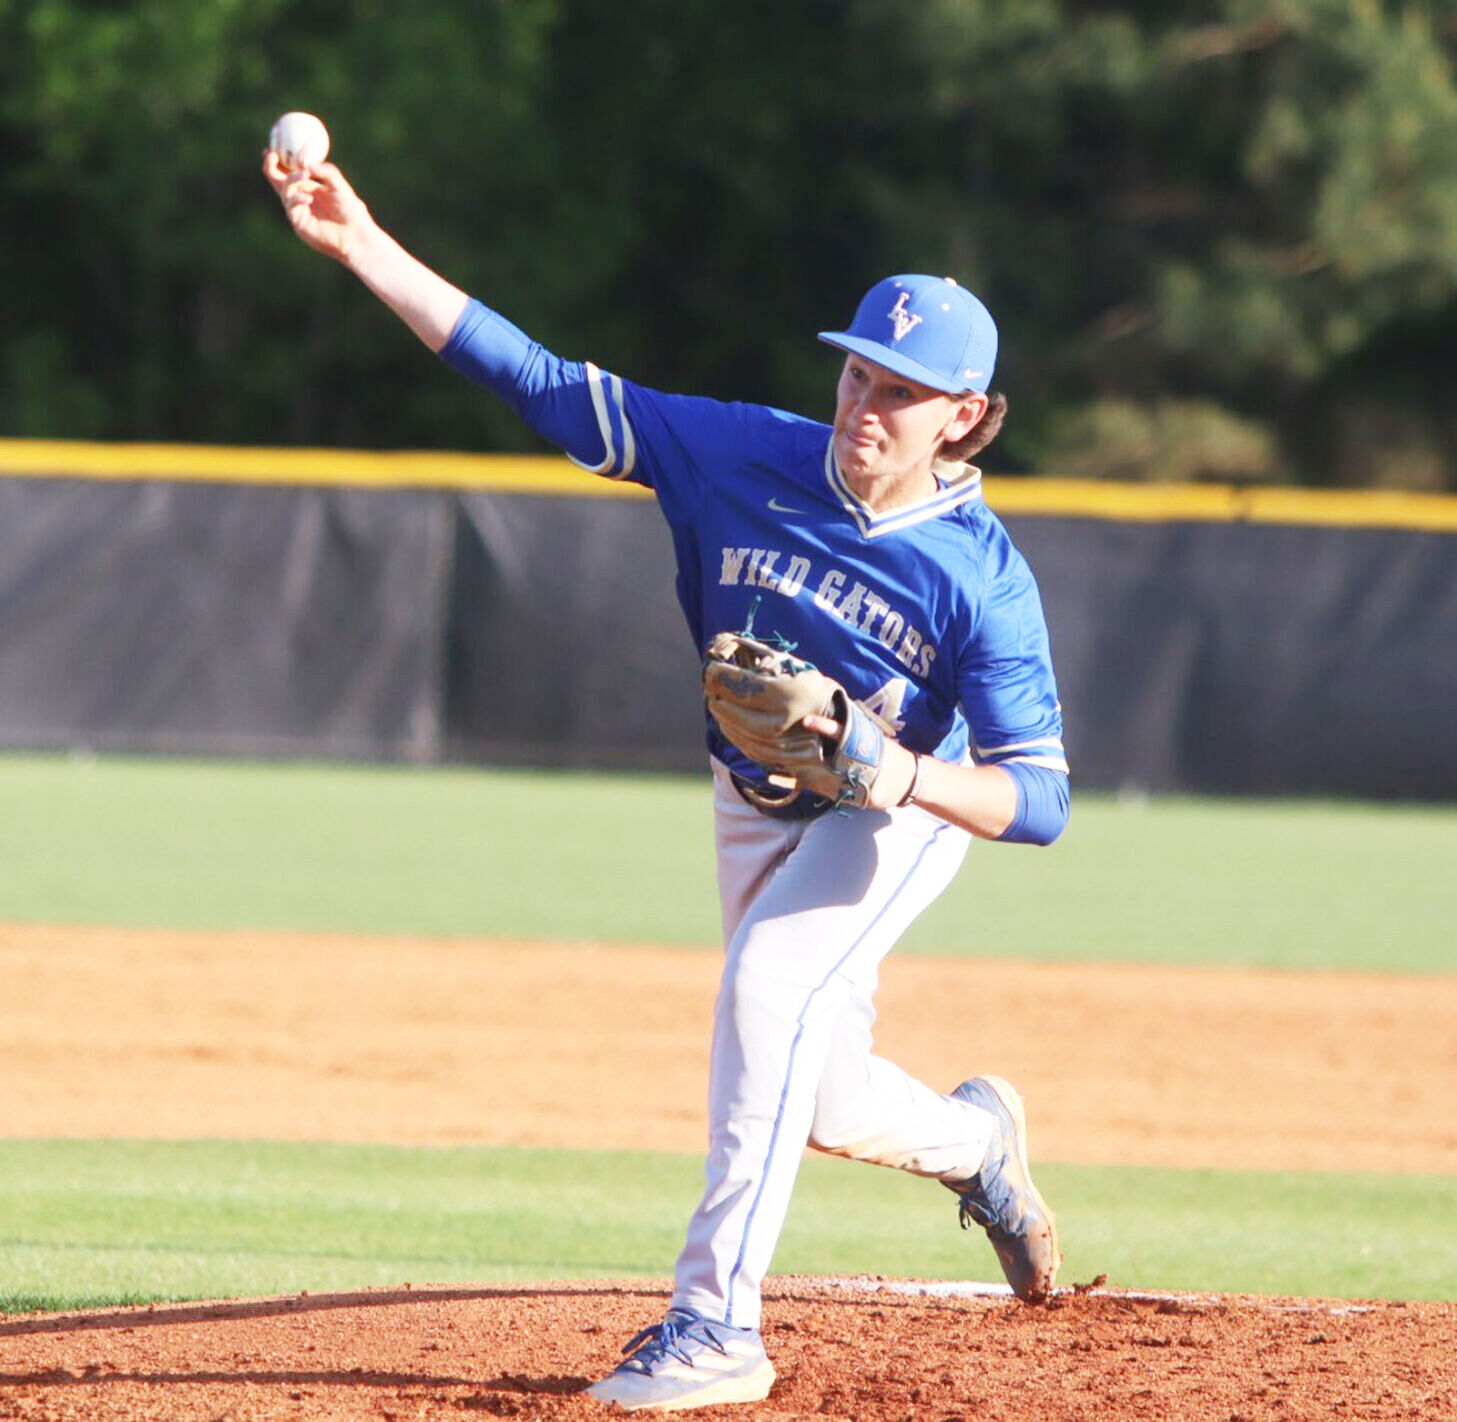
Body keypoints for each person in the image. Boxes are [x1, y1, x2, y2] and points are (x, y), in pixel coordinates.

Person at [265, 147, 1069, 1413]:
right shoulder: (737, 452)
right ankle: (978, 1143)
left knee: (767, 987)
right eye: (858, 368)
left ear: (964, 414)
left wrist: (895, 769)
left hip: (895, 811)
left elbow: (1040, 798)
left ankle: (714, 1328)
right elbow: (535, 381)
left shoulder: (980, 577)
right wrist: (361, 247)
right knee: (814, 1086)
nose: (867, 404)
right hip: (751, 795)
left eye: (903, 391)